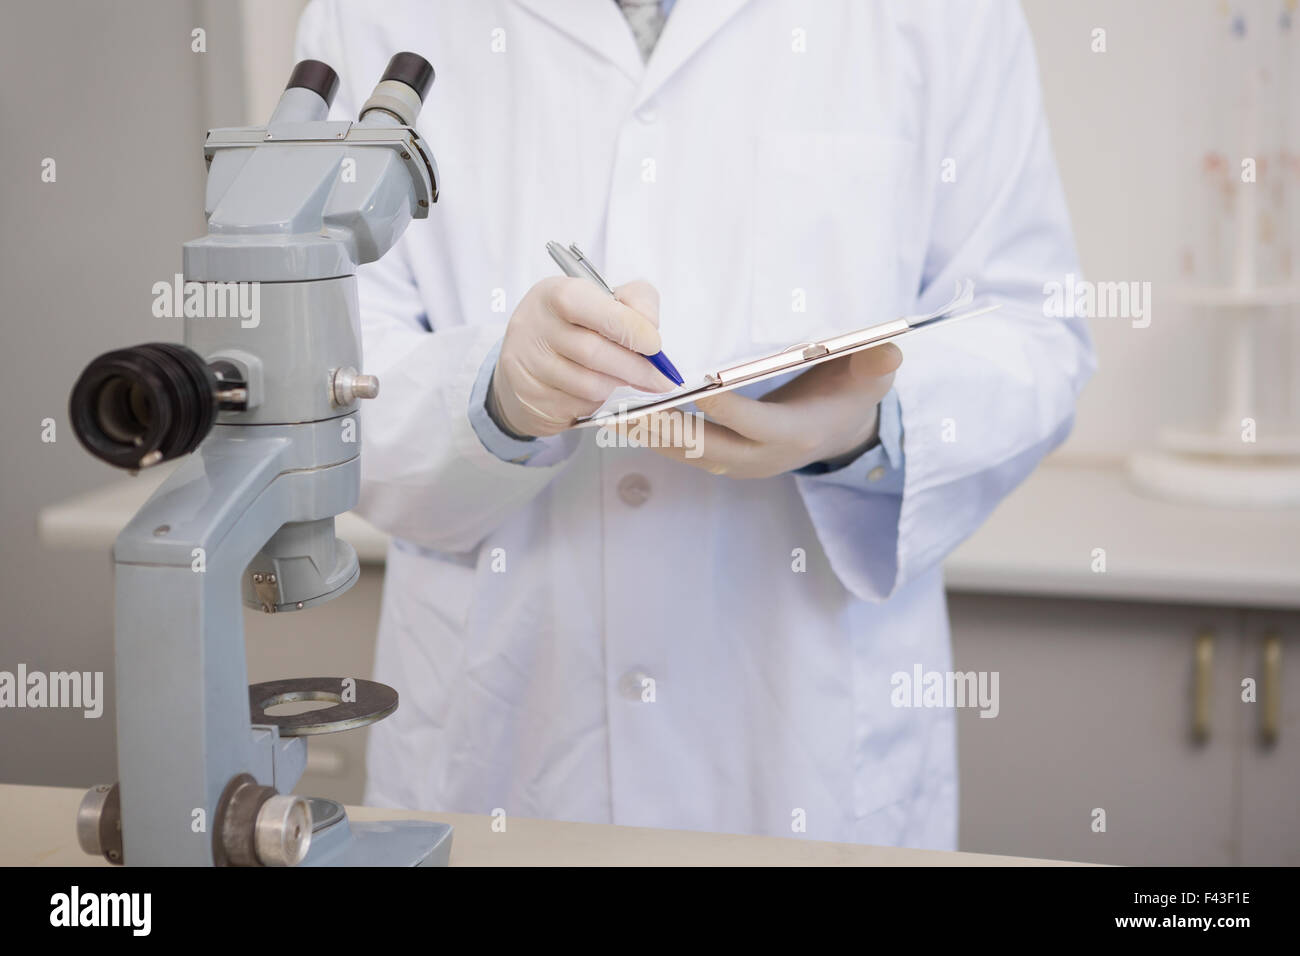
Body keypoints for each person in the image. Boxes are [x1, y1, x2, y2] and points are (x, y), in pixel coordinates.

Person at [294, 0, 1094, 849]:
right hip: (503, 746)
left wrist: (862, 422)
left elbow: (1035, 330)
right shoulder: (370, 14)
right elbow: (319, 369)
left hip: (806, 751)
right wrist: (497, 396)